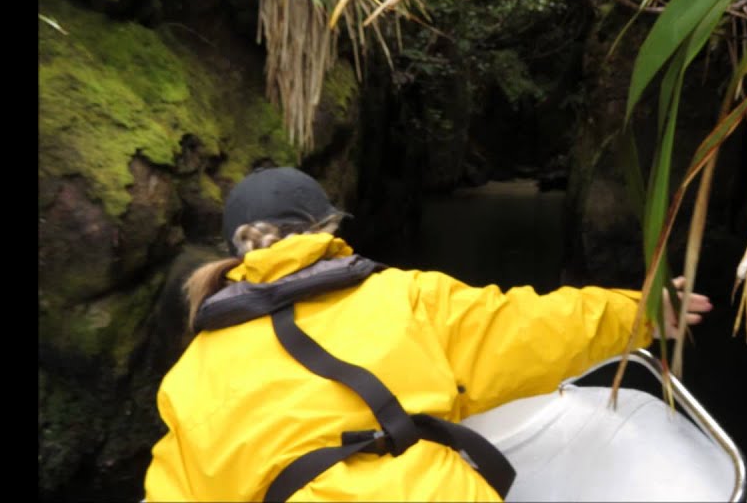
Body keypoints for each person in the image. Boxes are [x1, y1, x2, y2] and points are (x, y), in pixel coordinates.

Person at [144, 167, 712, 502]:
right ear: (326, 230)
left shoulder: (189, 377)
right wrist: (642, 313)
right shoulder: (405, 297)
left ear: (233, 257)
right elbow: (533, 328)